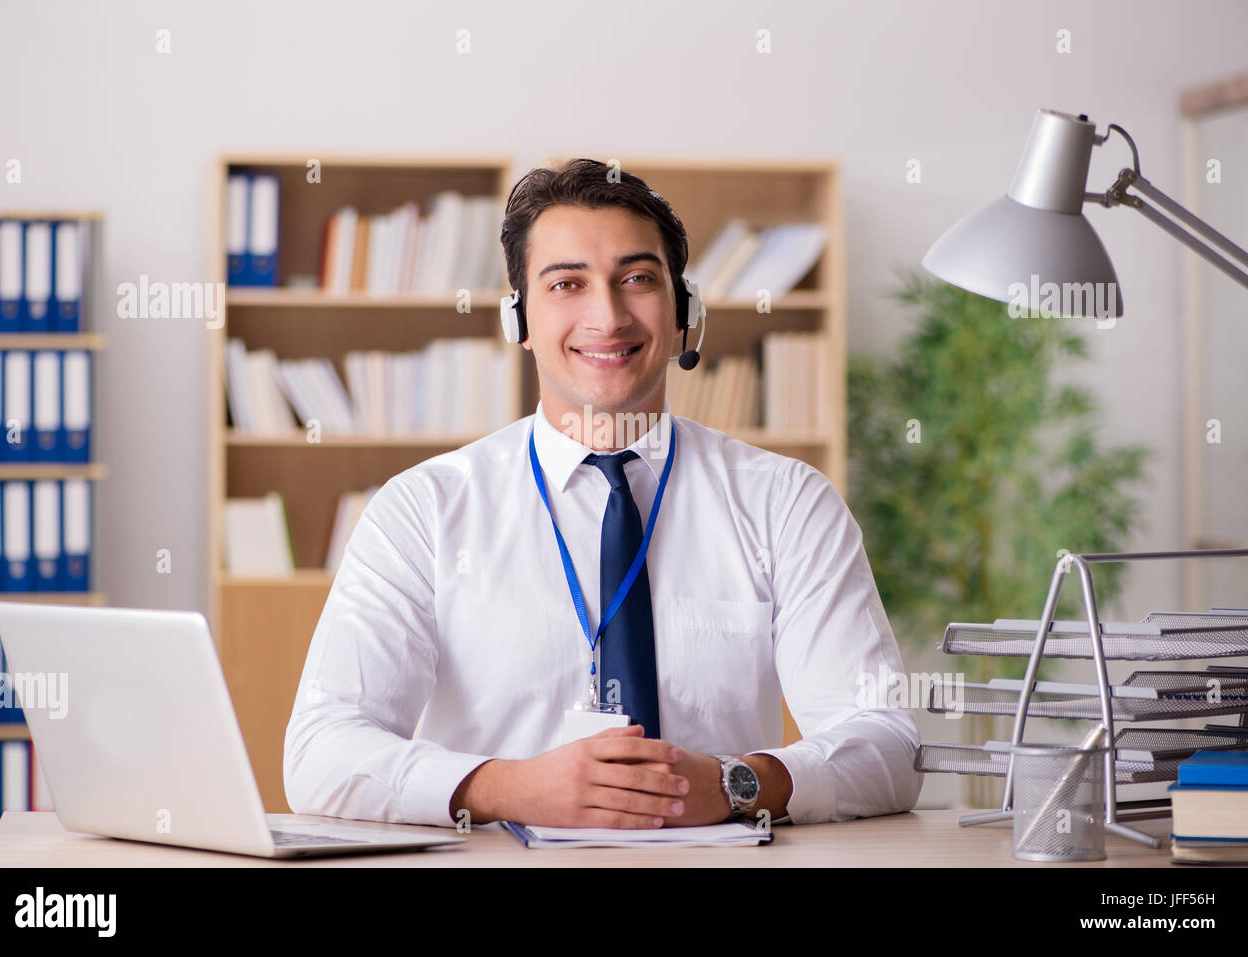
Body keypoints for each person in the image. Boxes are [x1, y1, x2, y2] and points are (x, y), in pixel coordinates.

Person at [283, 158, 922, 829]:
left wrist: (739, 781)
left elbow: (888, 743)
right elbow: (320, 750)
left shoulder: (787, 502)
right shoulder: (422, 510)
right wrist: (506, 787)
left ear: (684, 311)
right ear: (518, 320)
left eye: (638, 278)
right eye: (567, 283)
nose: (607, 315)